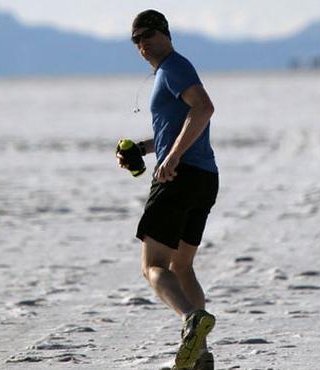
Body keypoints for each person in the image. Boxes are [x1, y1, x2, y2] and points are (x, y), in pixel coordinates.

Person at [117, 9, 219, 370]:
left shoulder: (174, 67)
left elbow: (204, 108)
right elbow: (179, 125)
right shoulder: (168, 72)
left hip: (180, 177)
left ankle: (192, 318)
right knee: (183, 266)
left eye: (148, 35)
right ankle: (201, 354)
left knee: (153, 267)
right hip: (203, 177)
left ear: (165, 34)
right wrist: (144, 149)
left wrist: (172, 158)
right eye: (136, 40)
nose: (142, 44)